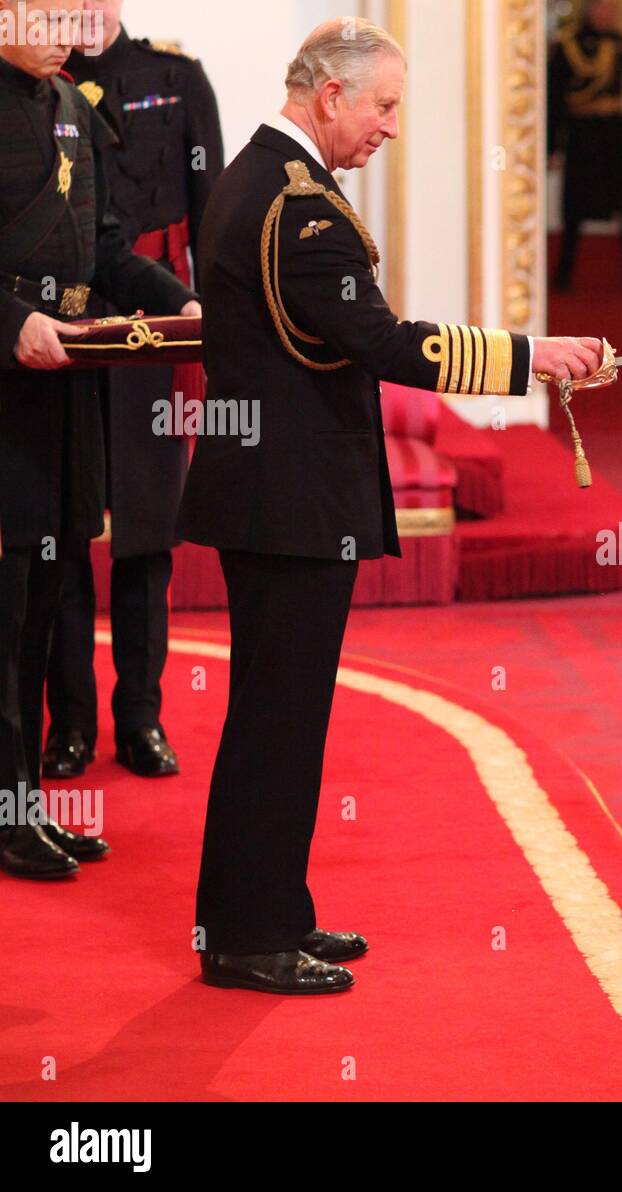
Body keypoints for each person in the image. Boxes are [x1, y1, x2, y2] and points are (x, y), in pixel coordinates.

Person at [177, 17, 604, 994]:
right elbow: (382, 341)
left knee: (277, 716)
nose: (391, 128)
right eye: (383, 106)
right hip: (285, 503)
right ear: (330, 96)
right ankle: (247, 935)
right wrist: (526, 356)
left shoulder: (272, 181)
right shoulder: (300, 206)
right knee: (277, 721)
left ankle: (266, 913)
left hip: (272, 495)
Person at [0, 0, 200, 881]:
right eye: (39, 11)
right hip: (6, 381)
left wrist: (177, 298)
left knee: (45, 595)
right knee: (6, 610)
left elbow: (106, 248)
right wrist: (10, 321)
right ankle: (8, 814)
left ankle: (27, 802)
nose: (61, 25)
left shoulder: (76, 109)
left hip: (69, 382)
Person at [45, 0, 224, 782]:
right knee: (63, 531)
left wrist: (219, 324)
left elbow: (213, 217)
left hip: (155, 325)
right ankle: (70, 725)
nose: (83, 11)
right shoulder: (37, 86)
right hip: (61, 328)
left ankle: (141, 718)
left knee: (147, 535)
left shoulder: (175, 78)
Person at [548, 0, 622, 292]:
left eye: (612, 10)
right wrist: (552, 146)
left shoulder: (619, 43)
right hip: (582, 131)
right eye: (602, 9)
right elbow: (554, 100)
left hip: (613, 129)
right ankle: (563, 274)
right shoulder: (566, 46)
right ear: (588, 10)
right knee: (575, 205)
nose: (608, 15)